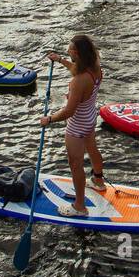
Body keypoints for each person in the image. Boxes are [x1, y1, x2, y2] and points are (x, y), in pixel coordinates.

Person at [39, 35, 107, 218]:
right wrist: (60, 60)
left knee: (75, 164)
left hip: (77, 125)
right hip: (90, 118)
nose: (68, 52)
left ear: (77, 53)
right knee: (92, 149)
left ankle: (79, 206)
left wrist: (50, 119)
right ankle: (98, 181)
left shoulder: (78, 82)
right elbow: (77, 70)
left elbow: (69, 111)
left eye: (69, 50)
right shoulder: (95, 67)